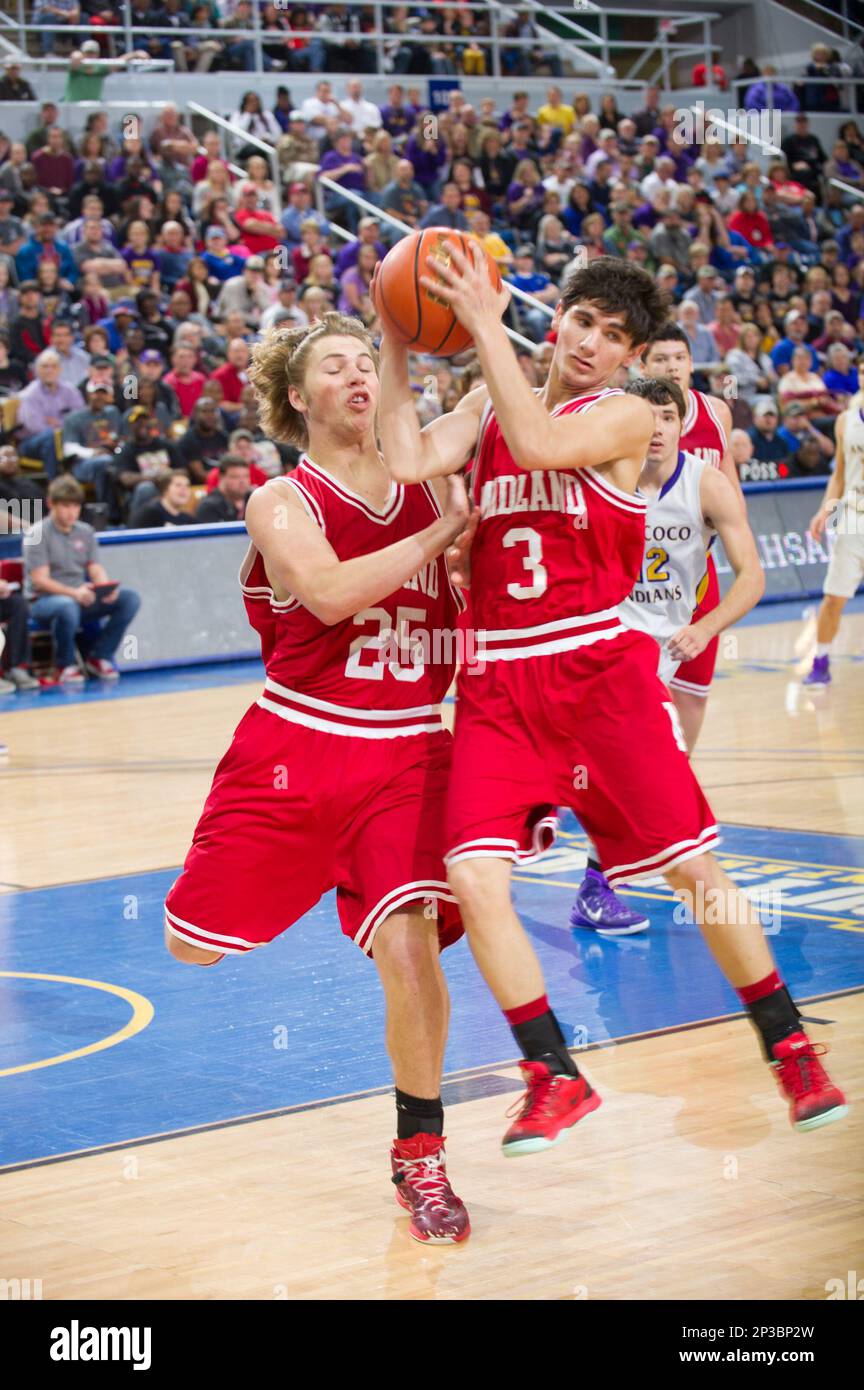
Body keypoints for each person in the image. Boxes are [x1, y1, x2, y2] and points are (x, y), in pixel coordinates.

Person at [376, 251, 847, 1146]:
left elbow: (546, 442)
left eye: (614, 336)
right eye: (582, 320)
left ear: (632, 358)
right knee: (474, 878)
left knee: (694, 870)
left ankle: (791, 1050)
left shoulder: (625, 414)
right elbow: (405, 459)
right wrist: (397, 344)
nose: (591, 344)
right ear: (557, 317)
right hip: (498, 683)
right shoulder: (486, 405)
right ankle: (553, 1071)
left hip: (597, 672)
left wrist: (479, 325)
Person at [164, 314, 473, 1244]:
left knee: (409, 946)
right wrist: (444, 536)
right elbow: (333, 592)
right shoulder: (280, 499)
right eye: (332, 366)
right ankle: (307, 886)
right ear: (298, 398)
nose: (355, 376)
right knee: (193, 947)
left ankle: (420, 1158)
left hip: (409, 750)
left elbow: (501, 400)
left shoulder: (437, 480)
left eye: (364, 362)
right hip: (296, 750)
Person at [25, 475, 141, 683]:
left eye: (76, 507)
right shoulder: (37, 534)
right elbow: (40, 581)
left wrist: (104, 588)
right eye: (65, 506)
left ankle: (100, 657)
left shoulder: (85, 532)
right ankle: (65, 665)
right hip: (43, 601)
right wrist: (75, 593)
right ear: (51, 504)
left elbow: (95, 568)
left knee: (129, 599)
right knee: (66, 606)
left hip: (81, 595)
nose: (71, 513)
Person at [804, 365, 864, 686]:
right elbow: (839, 475)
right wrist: (824, 512)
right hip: (852, 516)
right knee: (834, 596)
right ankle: (821, 660)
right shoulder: (845, 421)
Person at [129, 468, 196, 528]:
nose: (184, 489)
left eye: (187, 486)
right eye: (178, 485)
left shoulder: (188, 519)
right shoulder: (148, 514)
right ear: (165, 489)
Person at [194, 455, 252, 522]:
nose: (242, 481)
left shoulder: (254, 500)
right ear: (221, 477)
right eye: (235, 477)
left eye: (246, 476)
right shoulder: (209, 506)